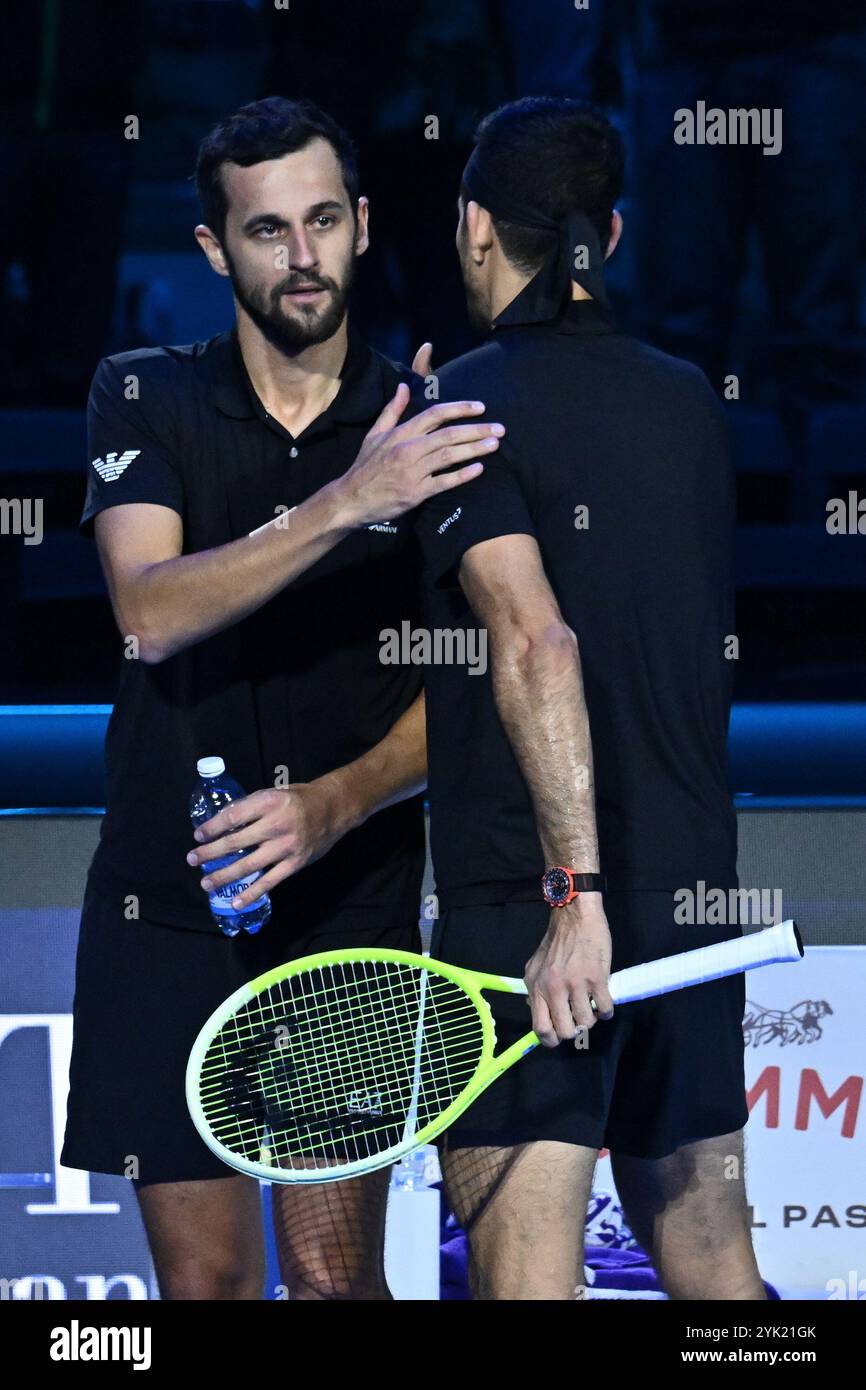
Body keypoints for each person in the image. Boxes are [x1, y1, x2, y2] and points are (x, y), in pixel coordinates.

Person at [60, 95, 503, 1301]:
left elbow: (477, 680)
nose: (301, 257)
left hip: (344, 907)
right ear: (214, 248)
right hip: (166, 905)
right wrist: (345, 504)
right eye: (266, 231)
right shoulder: (142, 394)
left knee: (329, 1287)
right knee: (202, 1296)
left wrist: (335, 803)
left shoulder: (428, 418)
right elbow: (146, 614)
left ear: (362, 225)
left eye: (321, 221)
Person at [413, 97, 761, 1301]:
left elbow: (536, 640)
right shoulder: (685, 400)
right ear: (603, 235)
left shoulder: (456, 403)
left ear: (472, 228)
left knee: (523, 1291)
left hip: (537, 904)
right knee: (719, 1277)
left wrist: (573, 896)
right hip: (688, 888)